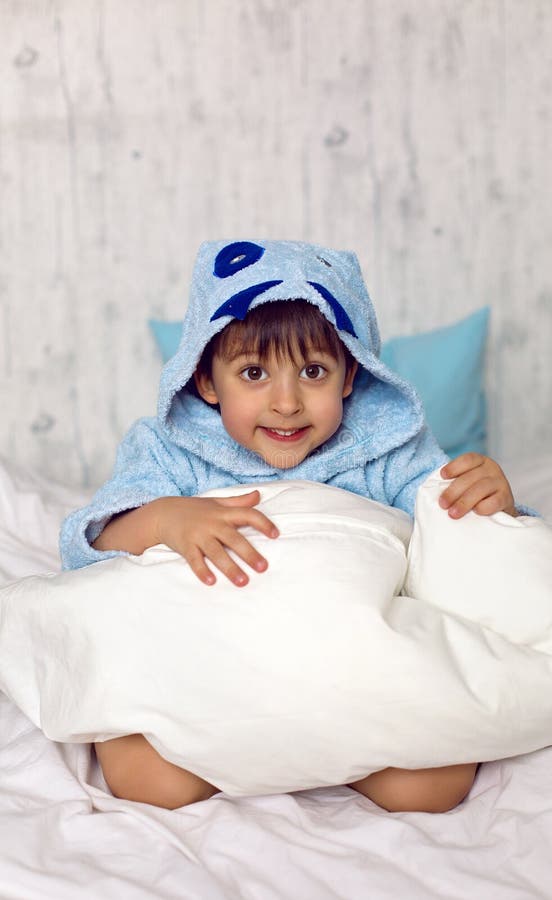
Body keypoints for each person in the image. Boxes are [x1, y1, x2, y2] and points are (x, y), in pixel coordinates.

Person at [60, 239, 521, 814]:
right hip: (214, 667)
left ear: (350, 377)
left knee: (431, 789)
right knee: (149, 783)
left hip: (347, 674)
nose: (286, 402)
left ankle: (321, 744)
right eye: (253, 373)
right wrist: (162, 518)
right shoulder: (169, 451)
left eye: (312, 371)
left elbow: (457, 535)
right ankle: (242, 743)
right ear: (206, 382)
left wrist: (493, 503)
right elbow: (90, 548)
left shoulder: (387, 452)